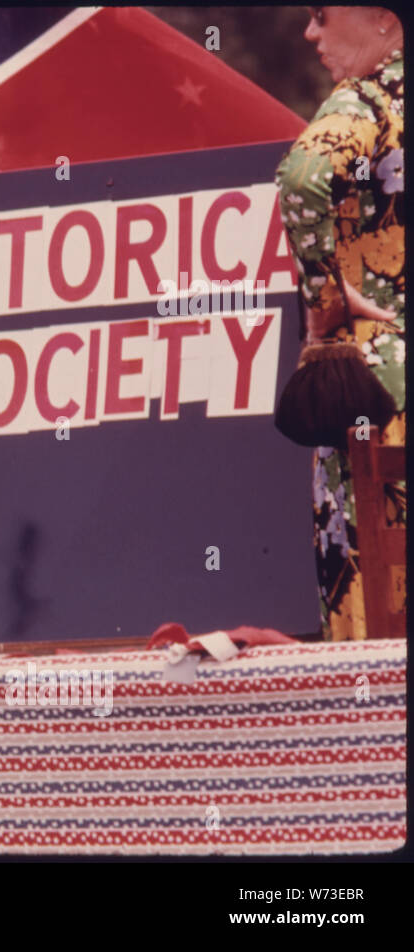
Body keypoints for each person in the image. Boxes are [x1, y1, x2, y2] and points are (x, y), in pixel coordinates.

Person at [275, 6, 404, 639]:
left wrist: (325, 296)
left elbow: (303, 178)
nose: (310, 34)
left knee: (374, 602)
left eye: (323, 15)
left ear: (384, 20)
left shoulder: (366, 102)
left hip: (378, 391)